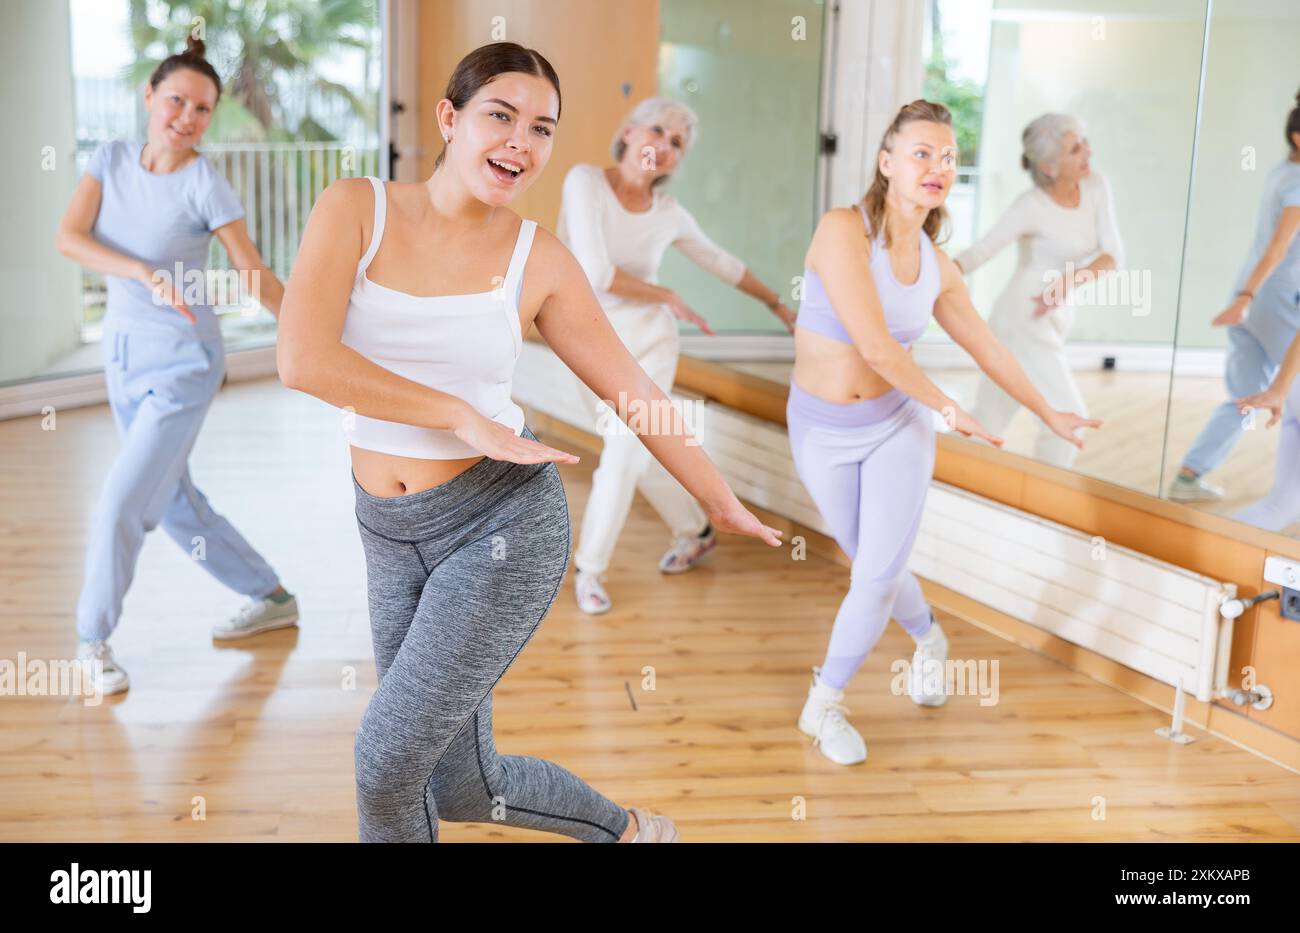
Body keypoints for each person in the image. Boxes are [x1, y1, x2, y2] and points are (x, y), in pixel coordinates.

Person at [275, 41, 783, 842]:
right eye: (500, 116)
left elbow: (636, 393)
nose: (521, 141)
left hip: (500, 526)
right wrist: (456, 412)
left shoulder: (537, 259)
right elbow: (303, 358)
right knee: (464, 784)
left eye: (542, 128)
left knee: (385, 762)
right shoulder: (354, 208)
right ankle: (632, 830)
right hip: (388, 531)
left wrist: (719, 500)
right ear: (451, 117)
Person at [788, 100, 1098, 765]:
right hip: (821, 429)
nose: (937, 166)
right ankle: (930, 639)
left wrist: (1050, 411)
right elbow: (874, 344)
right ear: (887, 162)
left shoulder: (937, 265)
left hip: (897, 426)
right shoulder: (842, 232)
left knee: (872, 575)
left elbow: (990, 348)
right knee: (875, 563)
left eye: (949, 156)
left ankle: (824, 703)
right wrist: (946, 404)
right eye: (922, 152)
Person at [54, 36, 297, 696]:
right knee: (176, 501)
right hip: (123, 353)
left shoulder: (204, 183)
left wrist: (318, 334)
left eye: (203, 109)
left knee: (121, 501)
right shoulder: (109, 160)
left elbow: (254, 273)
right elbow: (68, 236)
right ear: (149, 98)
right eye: (177, 101)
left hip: (186, 360)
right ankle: (270, 595)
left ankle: (92, 639)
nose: (187, 117)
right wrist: (140, 271)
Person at [557, 97, 796, 614]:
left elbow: (723, 263)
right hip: (587, 342)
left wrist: (778, 303)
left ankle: (589, 571)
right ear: (629, 131)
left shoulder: (670, 214)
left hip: (649, 344)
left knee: (623, 451)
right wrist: (665, 294)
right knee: (641, 453)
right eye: (658, 131)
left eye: (677, 143)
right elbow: (594, 272)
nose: (664, 146)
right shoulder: (584, 183)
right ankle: (696, 530)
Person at [953, 113, 1123, 469]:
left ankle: (941, 469)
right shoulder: (1030, 205)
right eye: (1075, 149)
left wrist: (1070, 280)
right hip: (1024, 318)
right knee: (1068, 416)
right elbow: (982, 251)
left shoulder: (1096, 186)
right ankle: (1046, 496)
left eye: (1084, 142)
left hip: (1053, 314)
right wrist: (933, 272)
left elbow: (1112, 256)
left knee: (988, 416)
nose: (1088, 151)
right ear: (1048, 166)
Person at [1168, 89, 1300, 505]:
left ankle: (1188, 477)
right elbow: (1278, 250)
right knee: (1279, 387)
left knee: (1247, 396)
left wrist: (1244, 297)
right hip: (1269, 297)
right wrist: (1247, 296)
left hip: (1251, 297)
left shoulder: (1281, 172)